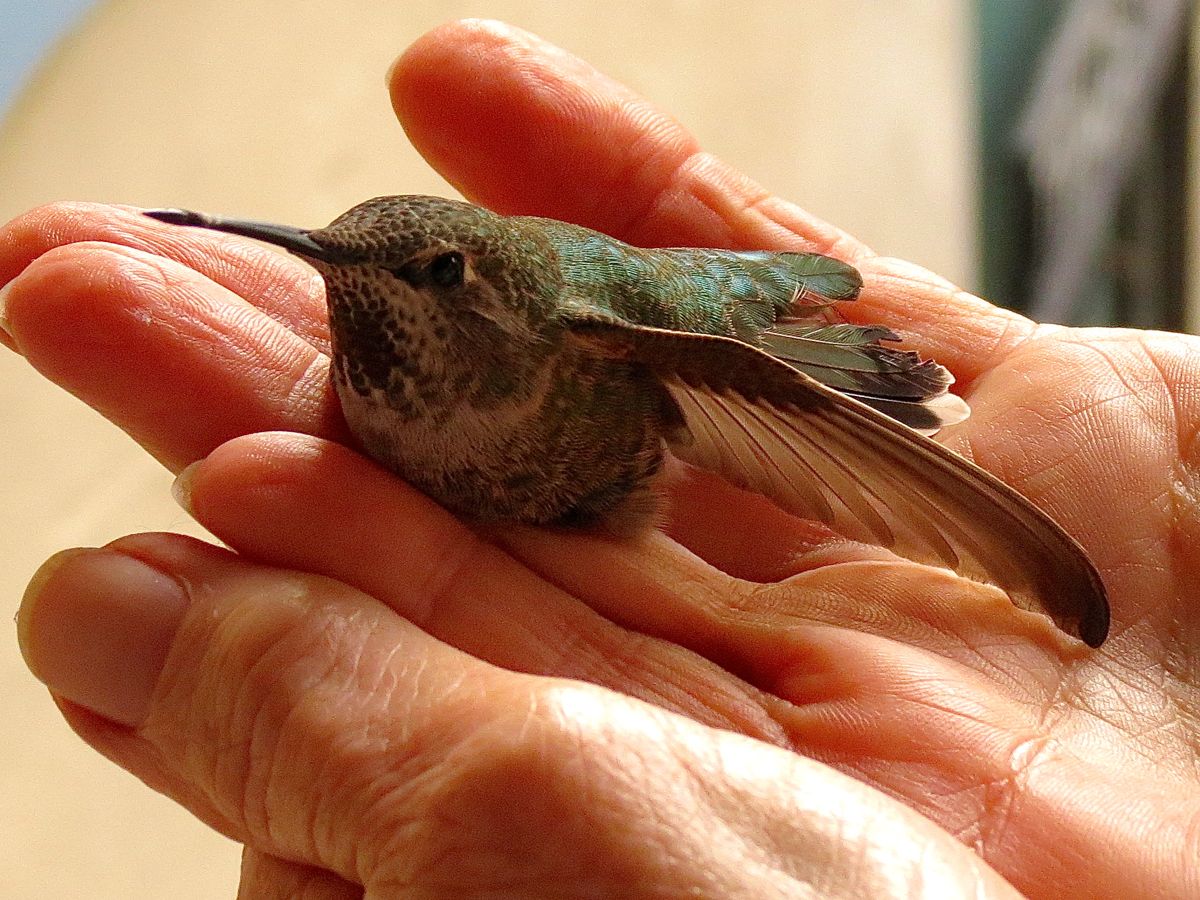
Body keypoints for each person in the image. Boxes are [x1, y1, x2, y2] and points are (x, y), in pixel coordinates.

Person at [4, 19, 1197, 899]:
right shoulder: (379, 353)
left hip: (679, 333)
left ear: (476, 283)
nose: (356, 285)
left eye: (430, 276)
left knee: (760, 362)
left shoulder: (581, 345)